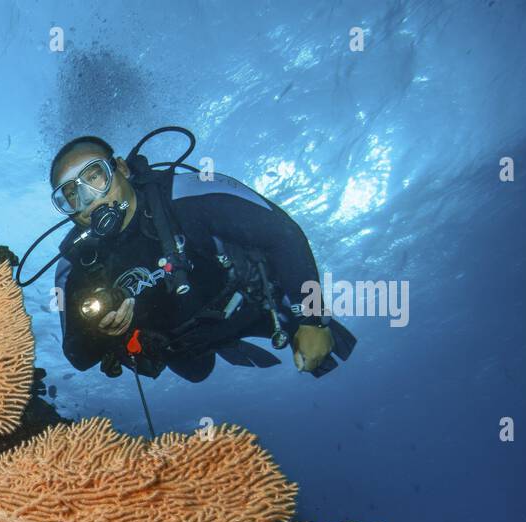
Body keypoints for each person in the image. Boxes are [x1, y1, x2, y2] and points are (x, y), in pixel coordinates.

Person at [41, 133, 354, 382]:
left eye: (94, 177)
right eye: (71, 194)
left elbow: (281, 233)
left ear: (121, 168)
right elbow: (77, 356)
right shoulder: (75, 261)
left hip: (246, 304)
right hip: (185, 347)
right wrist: (100, 331)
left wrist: (313, 319)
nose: (88, 199)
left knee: (324, 352)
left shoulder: (189, 193)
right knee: (197, 373)